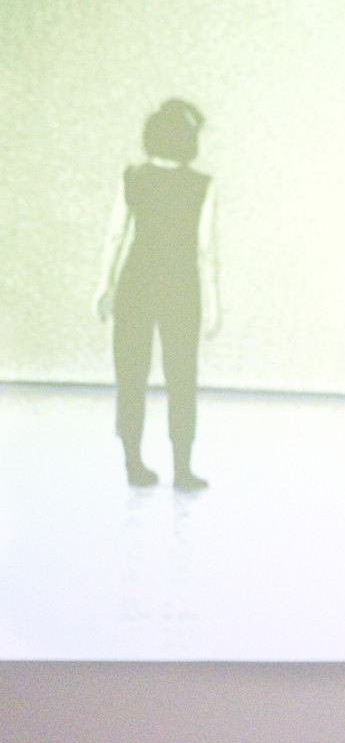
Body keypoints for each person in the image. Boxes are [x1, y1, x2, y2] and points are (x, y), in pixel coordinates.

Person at [94, 99, 220, 491]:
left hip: (136, 282)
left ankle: (133, 463)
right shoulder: (202, 185)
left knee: (130, 373)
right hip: (181, 285)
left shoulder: (133, 178)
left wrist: (104, 284)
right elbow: (206, 250)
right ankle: (182, 468)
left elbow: (116, 235)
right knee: (182, 375)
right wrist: (214, 302)